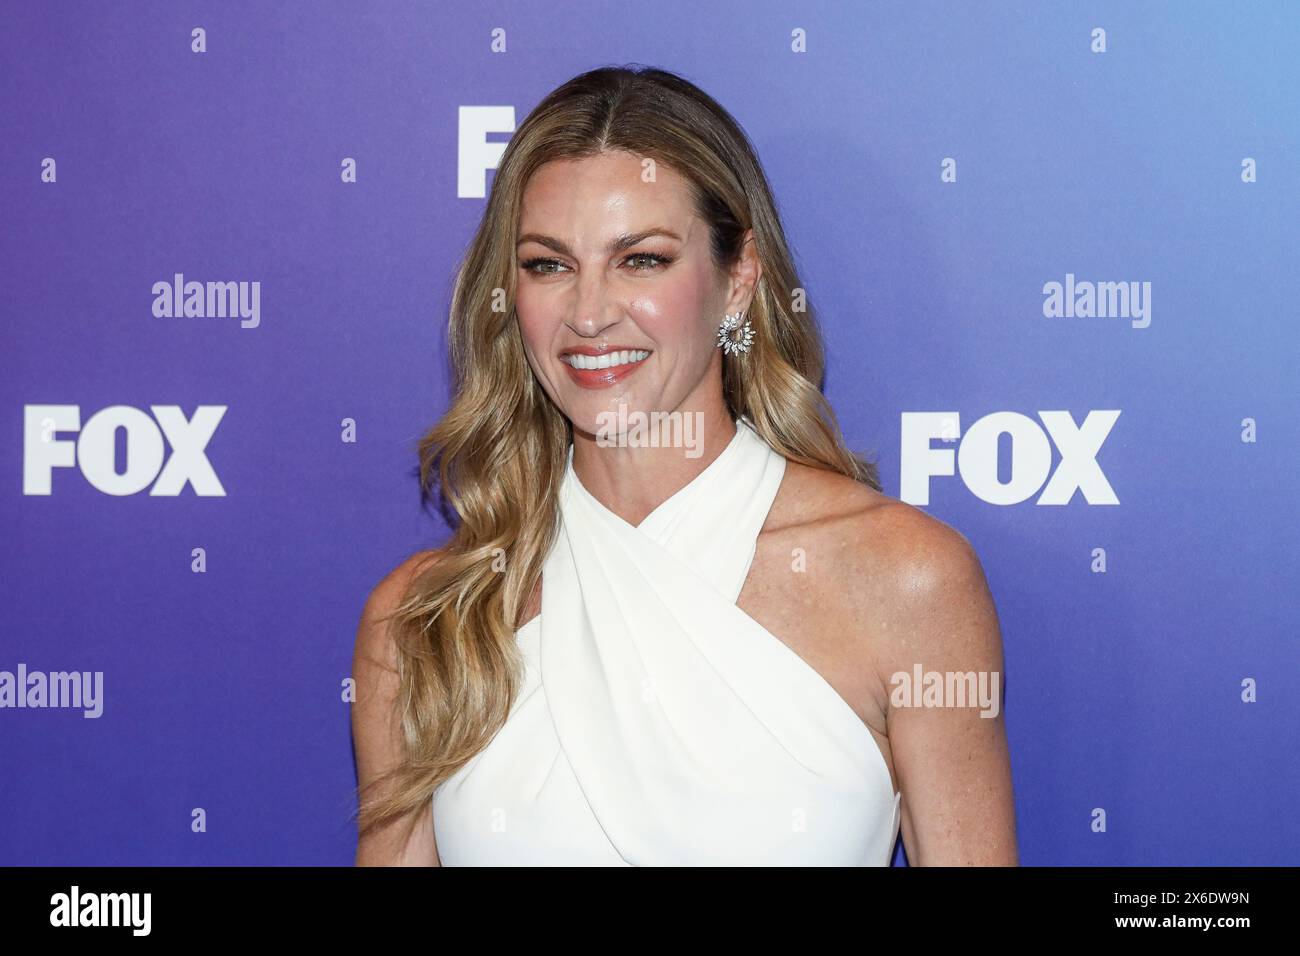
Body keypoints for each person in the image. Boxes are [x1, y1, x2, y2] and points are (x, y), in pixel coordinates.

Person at [351, 64, 1016, 866]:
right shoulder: (427, 618)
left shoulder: (906, 580)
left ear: (738, 283)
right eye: (548, 264)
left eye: (642, 260)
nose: (589, 315)